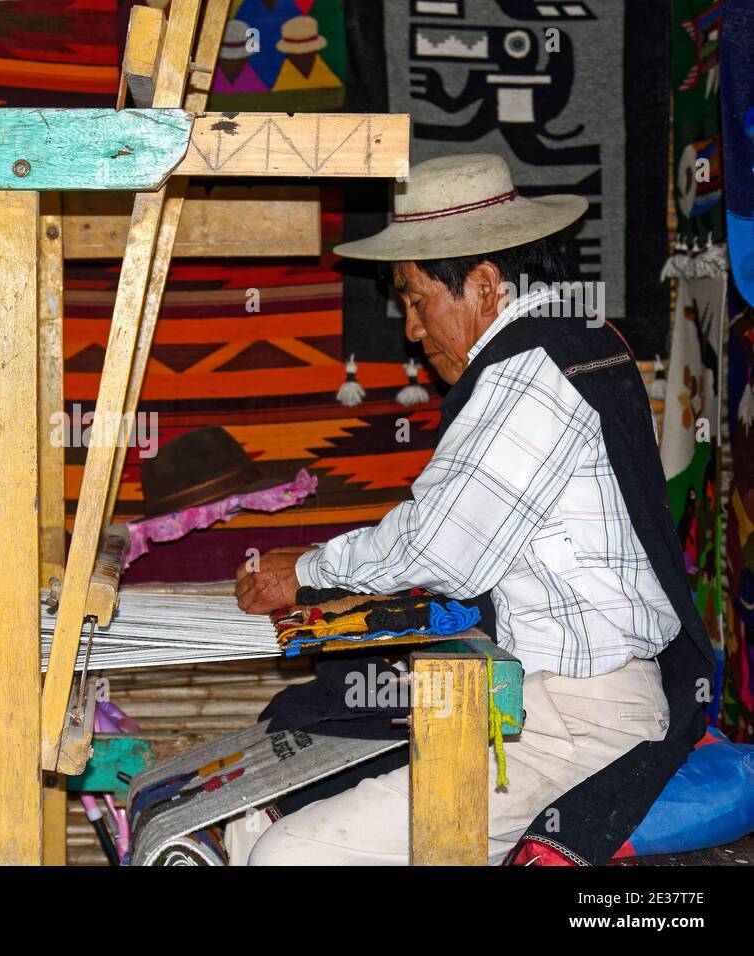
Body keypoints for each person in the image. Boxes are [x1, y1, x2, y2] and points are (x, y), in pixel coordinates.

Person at [231, 153, 712, 865]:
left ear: (484, 284)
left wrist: (306, 569)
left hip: (577, 722)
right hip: (544, 697)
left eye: (418, 300)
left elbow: (443, 548)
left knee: (289, 853)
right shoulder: (582, 340)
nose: (413, 332)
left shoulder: (531, 372)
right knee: (272, 789)